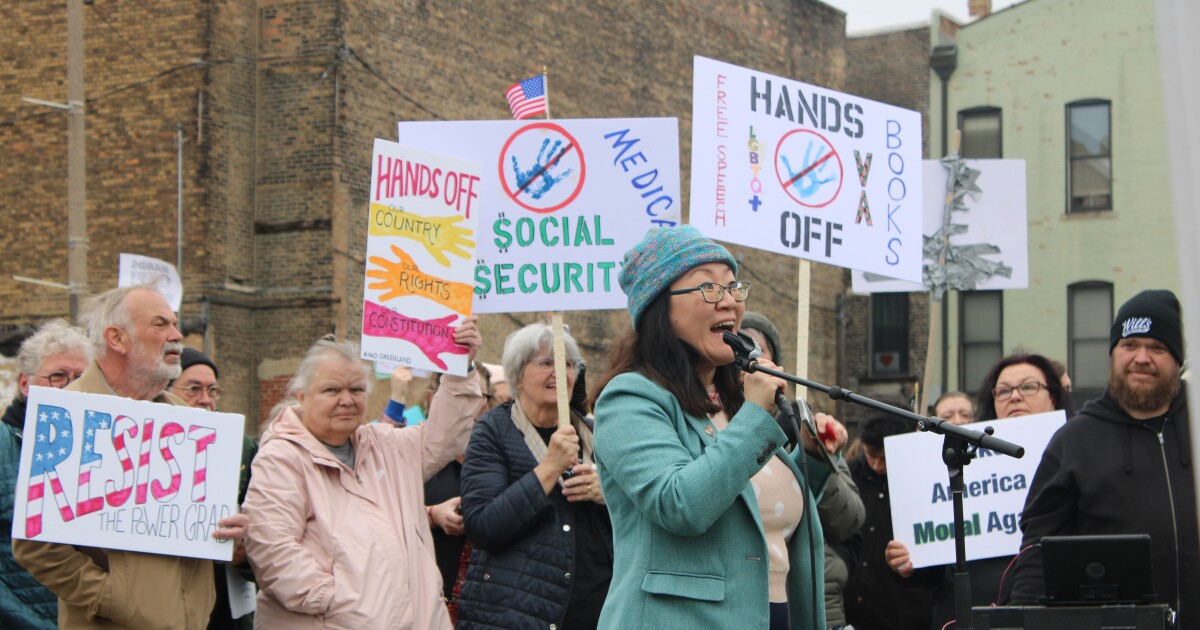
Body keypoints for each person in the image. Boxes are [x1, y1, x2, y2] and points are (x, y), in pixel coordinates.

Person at [591, 225, 846, 629]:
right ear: (661, 307)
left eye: (733, 287)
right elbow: (681, 505)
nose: (729, 302)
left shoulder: (734, 400)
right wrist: (756, 418)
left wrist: (811, 459)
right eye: (708, 288)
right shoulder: (630, 399)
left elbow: (759, 506)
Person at [13, 286, 248, 629]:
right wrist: (111, 598)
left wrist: (232, 529)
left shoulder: (186, 418)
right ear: (117, 338)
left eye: (175, 323)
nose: (177, 335)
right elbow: (36, 546)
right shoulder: (68, 414)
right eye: (160, 324)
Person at [241, 327, 482, 629]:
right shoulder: (282, 459)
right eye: (332, 390)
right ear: (301, 396)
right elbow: (272, 550)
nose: (346, 400)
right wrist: (340, 602)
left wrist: (460, 367)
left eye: (356, 390)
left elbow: (446, 435)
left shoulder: (383, 444)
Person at [1010, 290, 1199, 625]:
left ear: (1179, 360)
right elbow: (1038, 555)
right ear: (1113, 354)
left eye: (1157, 347)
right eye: (1130, 345)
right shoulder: (1074, 441)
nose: (1142, 358)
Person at [884, 353, 1071, 628]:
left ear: (1054, 395)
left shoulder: (1077, 451)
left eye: (1029, 387)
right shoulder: (962, 457)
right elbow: (938, 565)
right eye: (1004, 390)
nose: (1015, 397)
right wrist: (911, 562)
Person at [455, 323, 612, 629]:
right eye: (545, 363)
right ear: (517, 375)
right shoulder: (493, 431)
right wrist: (548, 469)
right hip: (519, 612)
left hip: (599, 610)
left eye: (567, 364)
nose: (559, 372)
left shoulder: (594, 432)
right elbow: (484, 526)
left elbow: (638, 507)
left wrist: (608, 493)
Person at [740, 311, 864, 629]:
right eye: (734, 342)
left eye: (754, 346)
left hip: (807, 601)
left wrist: (815, 455)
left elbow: (849, 519)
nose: (741, 353)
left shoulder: (799, 422)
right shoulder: (711, 420)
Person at [0, 319, 91, 629]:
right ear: (25, 384)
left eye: (81, 377)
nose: (71, 385)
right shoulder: (2, 445)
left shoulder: (104, 452)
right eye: (57, 376)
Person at [167, 348, 258, 630]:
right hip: (167, 597)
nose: (205, 400)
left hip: (225, 599)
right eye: (193, 389)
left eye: (212, 390)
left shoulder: (241, 446)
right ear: (165, 391)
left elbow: (268, 526)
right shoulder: (145, 445)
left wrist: (247, 548)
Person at [843, 413, 935, 630]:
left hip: (902, 614)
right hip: (848, 613)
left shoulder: (926, 481)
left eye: (885, 458)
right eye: (870, 455)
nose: (876, 465)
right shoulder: (849, 474)